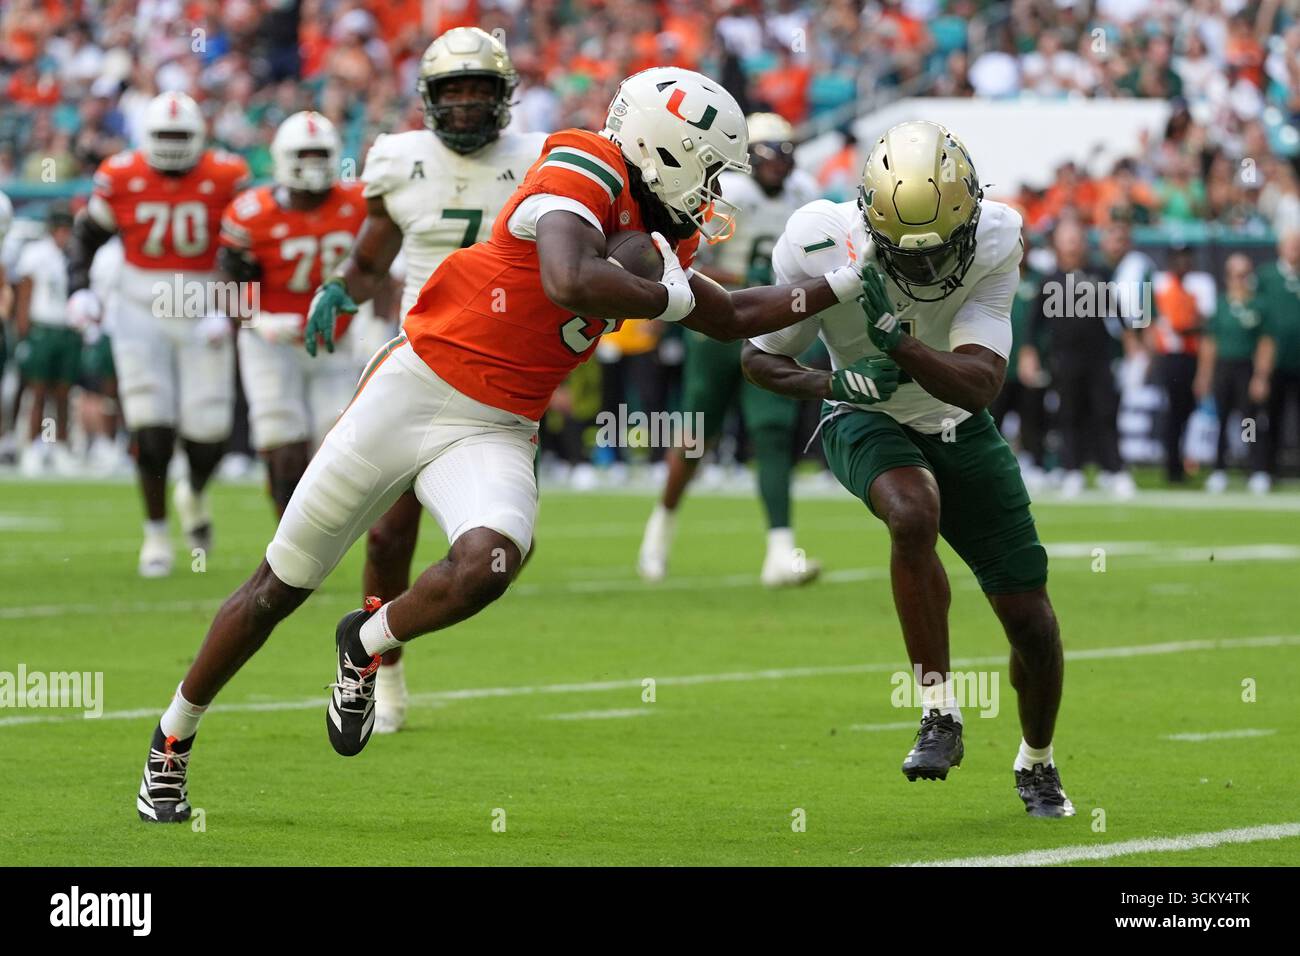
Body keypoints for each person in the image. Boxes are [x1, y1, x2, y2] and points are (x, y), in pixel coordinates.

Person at [134, 67, 867, 823]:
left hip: (497, 423)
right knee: (277, 587)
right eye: (709, 168)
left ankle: (366, 641)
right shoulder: (584, 160)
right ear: (666, 149)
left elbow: (736, 312)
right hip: (413, 387)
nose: (715, 189)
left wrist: (846, 284)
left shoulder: (661, 231)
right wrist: (670, 294)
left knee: (491, 562)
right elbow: (570, 279)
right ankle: (170, 743)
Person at [742, 120, 1073, 817]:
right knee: (911, 513)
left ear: (970, 215)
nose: (923, 270)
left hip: (958, 419)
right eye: (904, 254)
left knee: (1031, 622)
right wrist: (830, 385)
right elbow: (759, 357)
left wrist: (900, 348)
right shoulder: (816, 238)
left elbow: (980, 384)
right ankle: (938, 711)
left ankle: (1037, 760)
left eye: (936, 251)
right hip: (861, 418)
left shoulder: (996, 237)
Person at [304, 28, 549, 735]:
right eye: (454, 91)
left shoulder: (540, 157)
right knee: (386, 537)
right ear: (429, 100)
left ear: (503, 97)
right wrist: (344, 289)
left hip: (503, 369)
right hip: (418, 354)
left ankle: (385, 637)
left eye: (479, 90)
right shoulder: (398, 158)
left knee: (501, 544)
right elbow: (372, 255)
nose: (467, 104)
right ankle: (381, 666)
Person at [67, 91, 251, 577]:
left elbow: (249, 249)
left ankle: (192, 490)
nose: (171, 147)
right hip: (139, 304)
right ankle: (155, 535)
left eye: (179, 137)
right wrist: (79, 289)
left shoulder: (226, 175)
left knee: (210, 432)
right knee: (150, 425)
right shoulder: (122, 175)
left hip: (203, 300)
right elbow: (86, 235)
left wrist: (231, 309)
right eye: (163, 137)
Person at [639, 113, 823, 587]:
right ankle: (660, 529)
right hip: (719, 328)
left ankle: (781, 551)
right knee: (697, 438)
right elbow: (689, 265)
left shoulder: (806, 193)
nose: (777, 165)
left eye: (784, 155)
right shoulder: (727, 196)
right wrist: (753, 287)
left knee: (773, 433)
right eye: (768, 155)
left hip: (770, 327)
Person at [218, 111, 367, 516]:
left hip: (334, 340)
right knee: (282, 441)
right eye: (304, 155)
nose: (313, 164)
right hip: (272, 344)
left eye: (321, 155)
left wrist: (376, 320)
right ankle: (289, 540)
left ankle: (318, 532)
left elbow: (380, 267)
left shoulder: (360, 202)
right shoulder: (252, 213)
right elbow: (228, 286)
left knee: (335, 443)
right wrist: (257, 319)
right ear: (283, 158)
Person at [1020, 220, 1131, 497]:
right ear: (1057, 244)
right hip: (1064, 359)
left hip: (1099, 357)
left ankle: (1113, 470)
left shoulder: (1099, 273)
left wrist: (1132, 350)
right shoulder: (1050, 280)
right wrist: (1029, 355)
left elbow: (1118, 316)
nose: (1073, 244)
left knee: (1105, 412)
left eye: (1077, 238)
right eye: (1067, 239)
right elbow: (1034, 327)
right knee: (1068, 414)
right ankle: (1072, 469)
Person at [13, 202, 79, 476]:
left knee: (63, 393)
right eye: (60, 228)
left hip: (67, 328)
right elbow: (26, 293)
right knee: (38, 391)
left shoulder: (75, 255)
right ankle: (33, 447)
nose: (63, 234)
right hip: (42, 328)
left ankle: (61, 446)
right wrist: (23, 331)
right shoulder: (36, 254)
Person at [1196, 253, 1267, 492]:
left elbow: (1264, 344)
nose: (1240, 280)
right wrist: (1204, 375)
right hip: (1224, 368)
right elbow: (1210, 342)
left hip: (1246, 368)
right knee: (1222, 420)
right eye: (1235, 275)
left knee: (1249, 422)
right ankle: (1219, 469)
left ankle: (1254, 468)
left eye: (1244, 275)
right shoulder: (1222, 305)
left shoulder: (1258, 305)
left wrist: (1260, 375)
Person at [1149, 243, 1212, 484]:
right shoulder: (1165, 287)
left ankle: (1180, 464)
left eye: (1187, 258)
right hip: (1172, 357)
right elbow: (1176, 325)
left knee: (1186, 412)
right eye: (1178, 258)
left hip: (1190, 356)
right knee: (1175, 413)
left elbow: (1198, 323)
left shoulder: (1193, 287)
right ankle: (1172, 467)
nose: (1183, 263)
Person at [1250, 229, 1300, 493]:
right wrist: (1260, 370)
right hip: (1273, 361)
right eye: (1291, 244)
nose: (1295, 250)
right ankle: (1261, 469)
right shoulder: (1268, 276)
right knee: (1264, 419)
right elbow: (1261, 323)